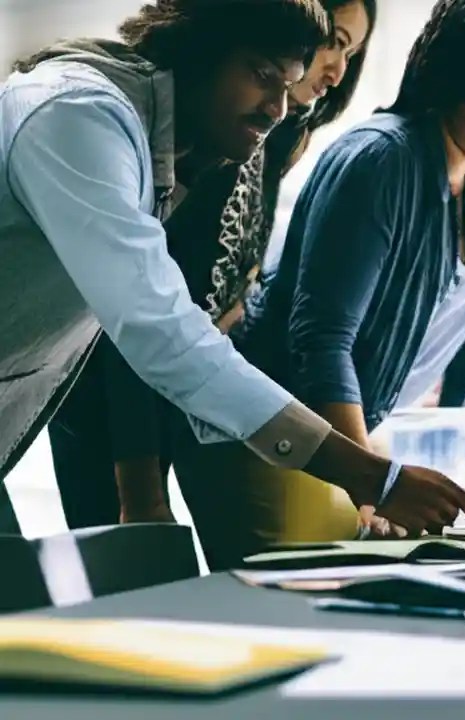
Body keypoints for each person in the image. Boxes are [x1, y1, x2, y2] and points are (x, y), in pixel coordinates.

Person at [0, 0, 465, 538]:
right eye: (261, 75)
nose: (277, 107)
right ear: (199, 51)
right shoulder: (80, 115)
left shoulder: (165, 142)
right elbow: (162, 332)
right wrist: (370, 477)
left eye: (288, 84)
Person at [175, 0, 465, 561]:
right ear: (447, 90)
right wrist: (373, 482)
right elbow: (324, 340)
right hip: (263, 427)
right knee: (292, 608)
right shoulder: (377, 161)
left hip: (341, 435)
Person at [46, 0, 379, 532]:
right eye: (335, 41)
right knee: (115, 574)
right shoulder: (170, 126)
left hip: (176, 392)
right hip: (108, 401)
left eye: (351, 52)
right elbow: (139, 322)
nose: (338, 69)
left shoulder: (266, 137)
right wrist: (142, 488)